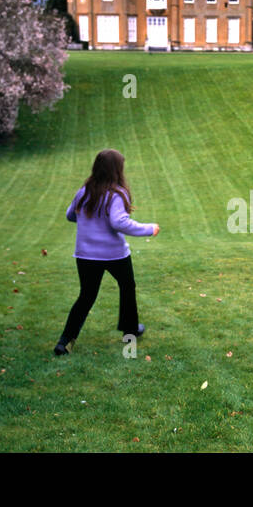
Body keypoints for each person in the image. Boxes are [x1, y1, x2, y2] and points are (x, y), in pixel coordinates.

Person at [55, 149, 160, 355]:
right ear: (116, 170)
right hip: (114, 255)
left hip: (85, 255)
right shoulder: (116, 195)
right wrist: (149, 228)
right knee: (127, 287)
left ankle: (64, 342)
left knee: (86, 296)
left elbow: (70, 215)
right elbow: (118, 222)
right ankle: (130, 331)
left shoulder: (84, 191)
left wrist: (89, 221)